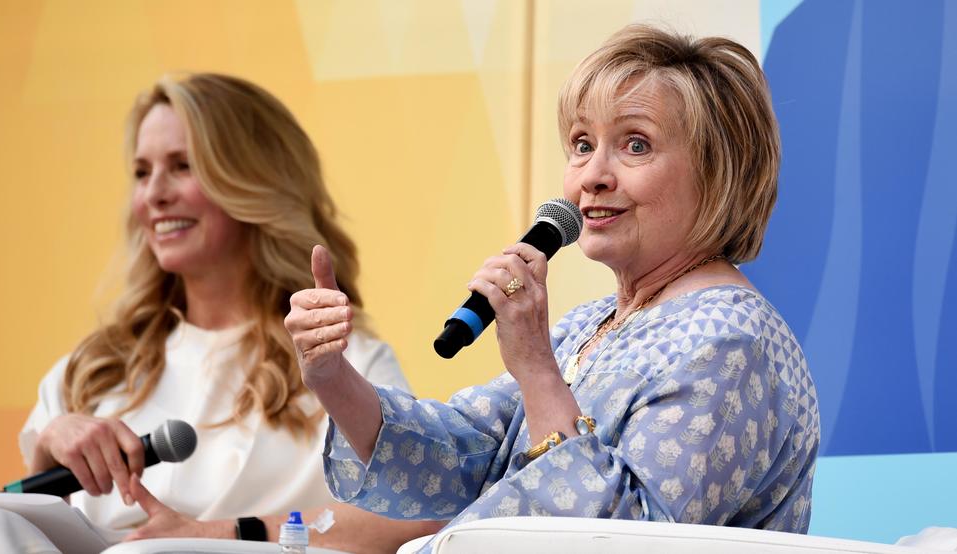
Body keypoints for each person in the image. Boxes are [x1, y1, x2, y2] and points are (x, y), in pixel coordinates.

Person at [286, 24, 819, 552]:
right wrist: (332, 375)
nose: (592, 175)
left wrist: (537, 366)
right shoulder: (590, 324)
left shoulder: (731, 341)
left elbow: (622, 539)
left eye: (635, 145)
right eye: (582, 144)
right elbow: (455, 459)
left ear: (719, 170)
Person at [16, 73, 442, 552]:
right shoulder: (90, 371)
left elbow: (415, 515)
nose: (154, 194)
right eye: (141, 172)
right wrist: (47, 453)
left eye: (183, 166)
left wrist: (222, 533)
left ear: (252, 181)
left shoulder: (344, 363)